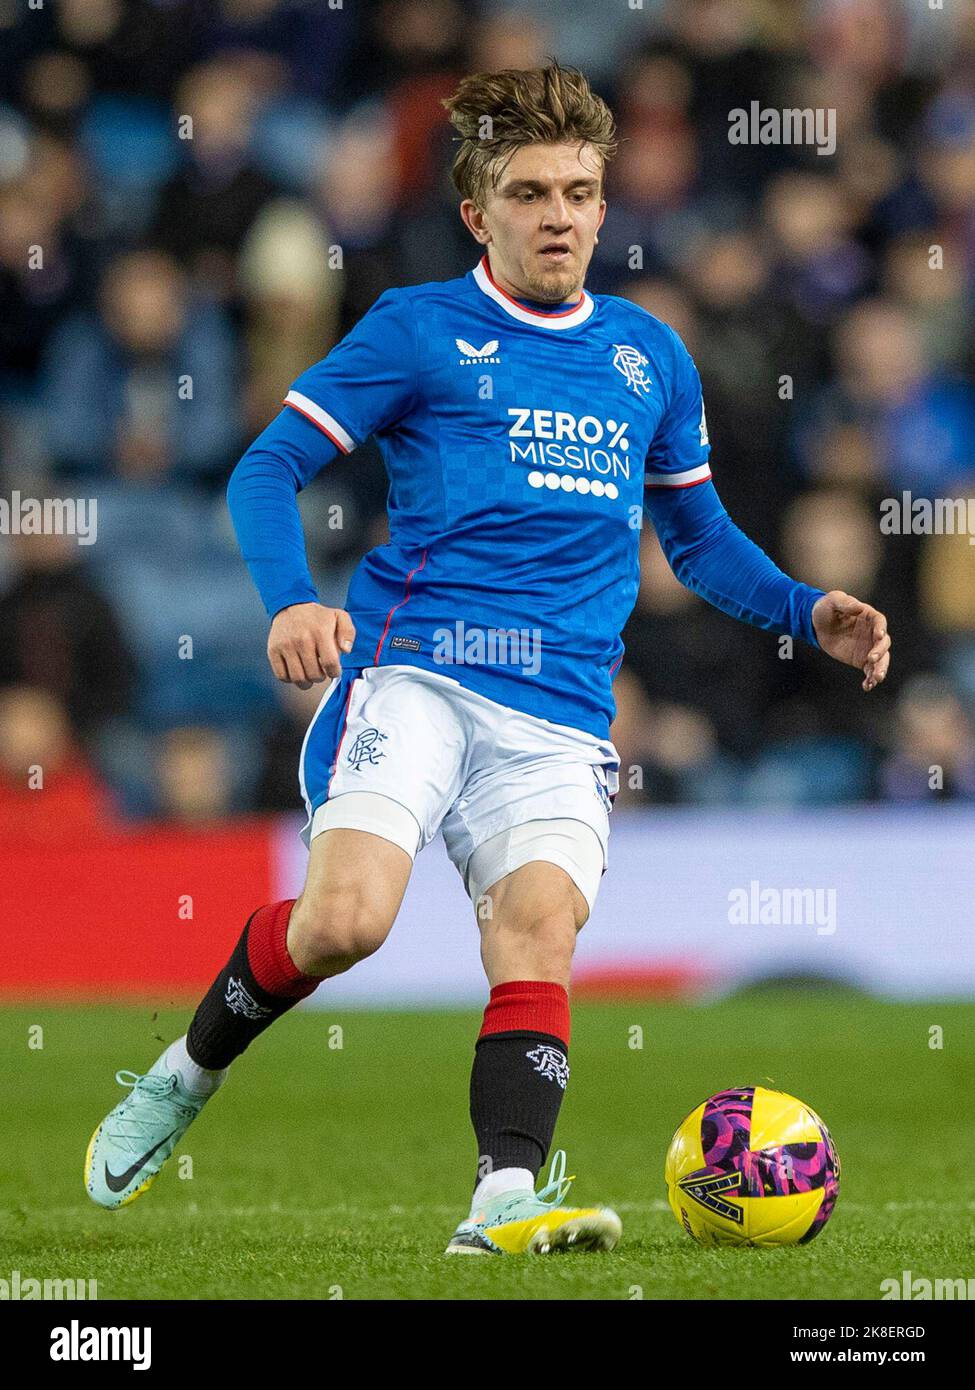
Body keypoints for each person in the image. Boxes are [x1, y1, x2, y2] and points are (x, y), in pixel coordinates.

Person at [85, 63, 891, 1256]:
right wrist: (290, 602)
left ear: (607, 206)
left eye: (579, 191)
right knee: (347, 922)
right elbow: (265, 470)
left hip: (563, 711)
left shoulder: (648, 358)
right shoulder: (416, 328)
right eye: (530, 193)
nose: (559, 214)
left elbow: (699, 536)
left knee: (538, 932)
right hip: (420, 675)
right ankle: (186, 1069)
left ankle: (502, 1199)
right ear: (481, 212)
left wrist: (798, 605)